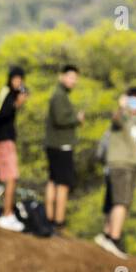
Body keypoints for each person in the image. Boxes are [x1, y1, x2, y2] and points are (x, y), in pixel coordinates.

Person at [94, 89, 136, 258]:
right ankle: (114, 238)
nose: (135, 104)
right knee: (122, 202)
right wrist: (122, 107)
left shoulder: (135, 120)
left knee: (117, 201)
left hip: (129, 165)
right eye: (132, 100)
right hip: (121, 165)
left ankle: (107, 234)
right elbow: (116, 119)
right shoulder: (124, 115)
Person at [44, 64, 82, 231]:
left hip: (55, 145)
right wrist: (76, 119)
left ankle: (49, 218)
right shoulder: (59, 96)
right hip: (61, 146)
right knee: (62, 183)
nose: (73, 81)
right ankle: (58, 222)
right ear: (62, 76)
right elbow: (60, 119)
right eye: (71, 77)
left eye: (75, 78)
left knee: (53, 180)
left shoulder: (61, 95)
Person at [0, 66, 28, 231]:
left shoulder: (11, 94)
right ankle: (7, 214)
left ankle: (8, 213)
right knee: (11, 177)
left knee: (11, 178)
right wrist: (15, 105)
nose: (18, 82)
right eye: (16, 79)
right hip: (3, 140)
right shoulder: (5, 92)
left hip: (8, 140)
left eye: (20, 80)